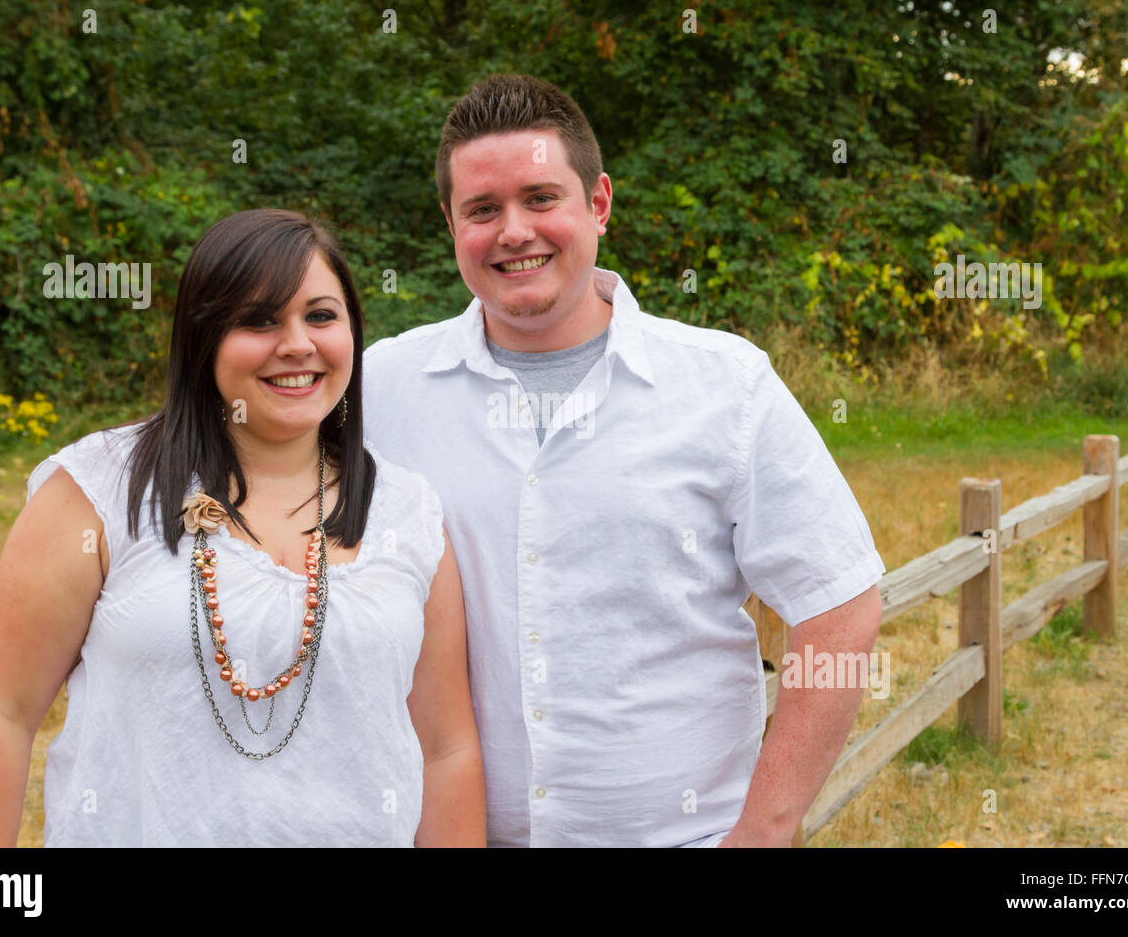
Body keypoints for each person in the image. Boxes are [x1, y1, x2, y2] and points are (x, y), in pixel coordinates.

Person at [361, 74, 886, 847]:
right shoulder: (382, 388)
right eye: (483, 209)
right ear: (450, 223)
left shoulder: (725, 385)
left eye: (541, 199)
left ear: (598, 203)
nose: (514, 231)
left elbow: (838, 606)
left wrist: (767, 829)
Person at [0, 208, 485, 847]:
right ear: (203, 338)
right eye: (258, 319)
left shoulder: (407, 512)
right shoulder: (97, 491)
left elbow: (447, 750)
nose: (297, 344)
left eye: (320, 315)